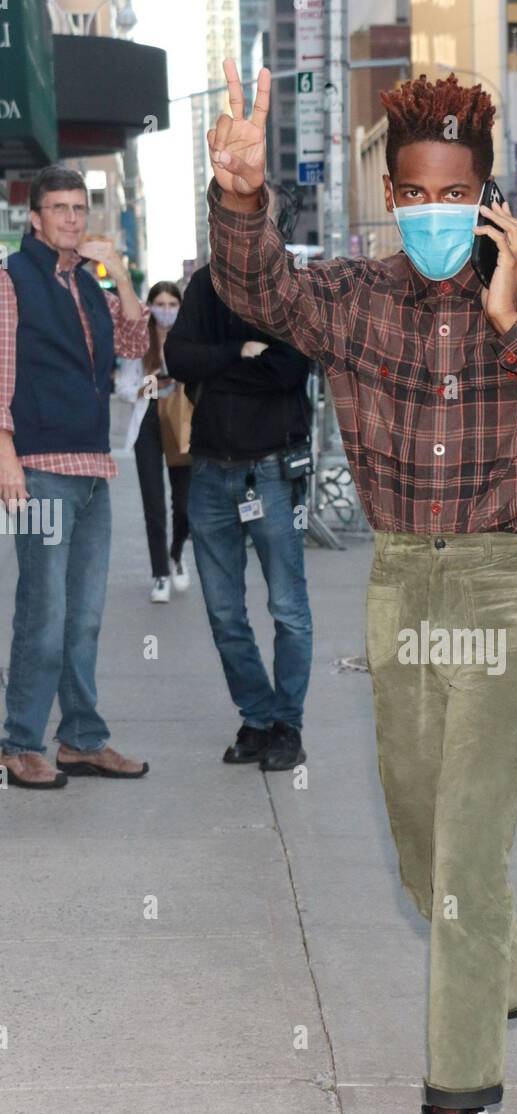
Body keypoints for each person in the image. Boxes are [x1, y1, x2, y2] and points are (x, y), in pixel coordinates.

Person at [206, 61, 517, 1114]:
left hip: (507, 586)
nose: (431, 214)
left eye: (451, 193)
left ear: (489, 188)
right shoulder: (357, 296)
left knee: (462, 879)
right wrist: (243, 196)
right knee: (426, 875)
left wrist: (512, 327)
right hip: (404, 587)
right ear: (390, 195)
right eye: (411, 195)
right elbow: (257, 295)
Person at [0, 166, 150, 790]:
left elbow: (138, 336)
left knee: (84, 614)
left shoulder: (89, 284)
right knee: (45, 608)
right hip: (39, 470)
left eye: (79, 209)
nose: (70, 218)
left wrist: (117, 266)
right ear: (34, 218)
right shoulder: (12, 281)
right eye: (58, 208)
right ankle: (20, 742)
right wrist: (6, 460)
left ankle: (81, 740)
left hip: (92, 470)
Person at [164, 251, 313, 773]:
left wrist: (219, 365)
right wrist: (239, 352)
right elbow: (177, 359)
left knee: (287, 608)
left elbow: (289, 369)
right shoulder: (206, 285)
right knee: (225, 613)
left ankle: (287, 725)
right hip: (208, 472)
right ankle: (257, 716)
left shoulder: (290, 284)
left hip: (270, 470)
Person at [117, 281, 193, 603]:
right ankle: (160, 573)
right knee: (153, 503)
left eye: (172, 304)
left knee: (186, 501)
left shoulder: (190, 335)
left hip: (181, 418)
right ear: (149, 306)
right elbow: (123, 387)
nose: (166, 310)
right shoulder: (140, 339)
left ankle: (176, 555)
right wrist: (152, 384)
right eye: (159, 304)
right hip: (148, 418)